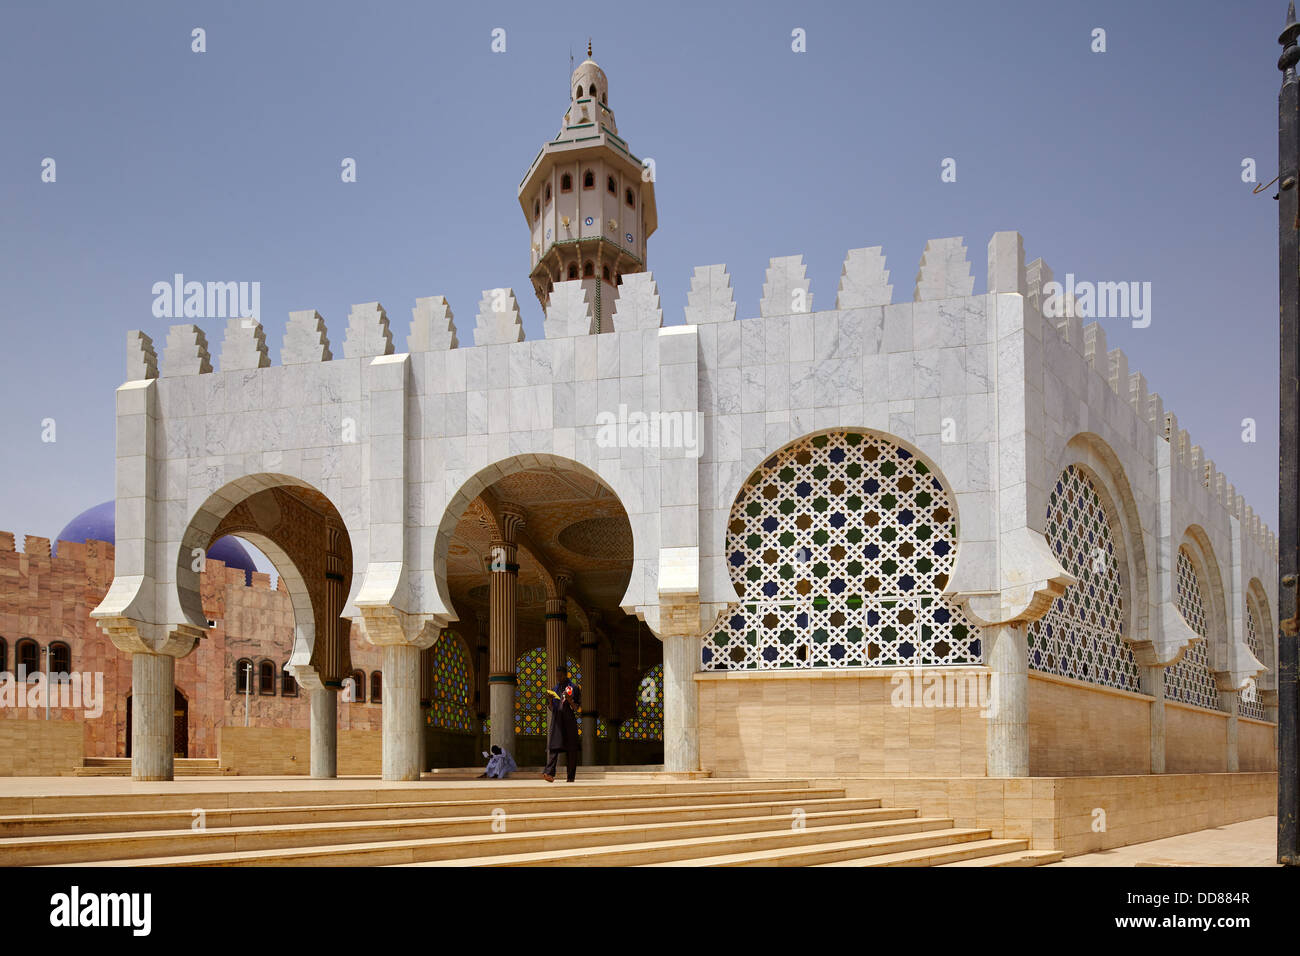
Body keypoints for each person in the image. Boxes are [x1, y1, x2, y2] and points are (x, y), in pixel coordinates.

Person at [542, 669, 581, 782]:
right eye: (557, 676)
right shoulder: (555, 689)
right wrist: (550, 700)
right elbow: (551, 708)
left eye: (560, 676)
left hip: (569, 720)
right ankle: (549, 773)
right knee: (554, 746)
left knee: (571, 748)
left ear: (565, 675)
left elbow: (576, 708)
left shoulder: (573, 687)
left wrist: (570, 700)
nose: (558, 678)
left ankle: (570, 777)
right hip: (557, 720)